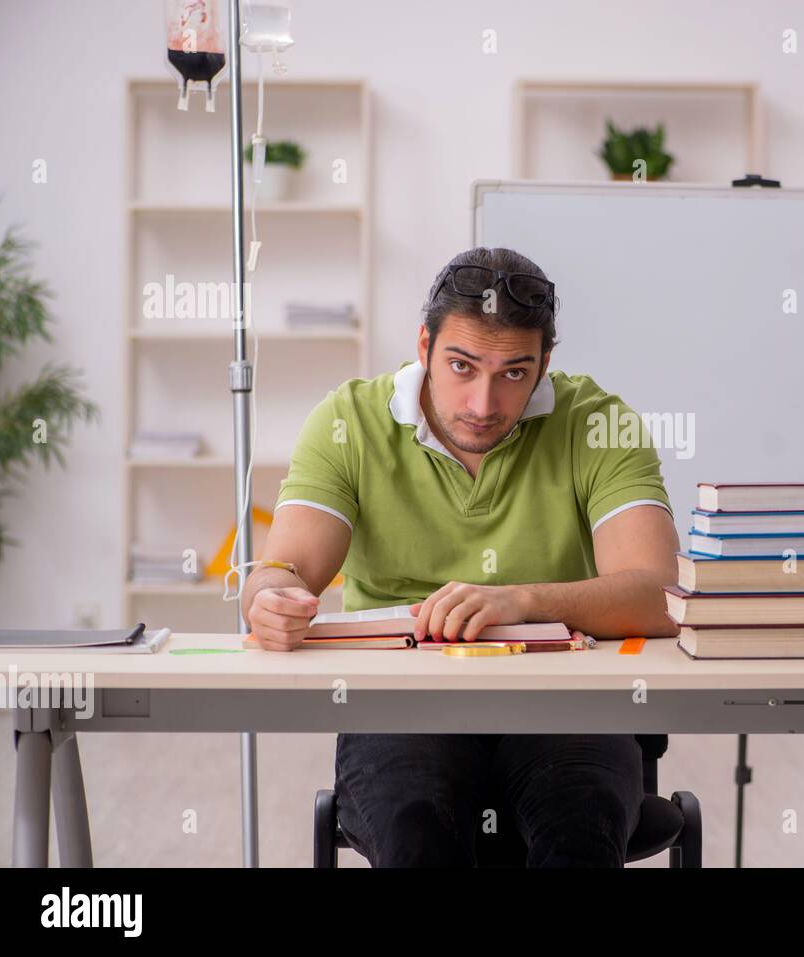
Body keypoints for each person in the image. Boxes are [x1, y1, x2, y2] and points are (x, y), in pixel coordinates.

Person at [241, 246, 680, 867]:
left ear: (544, 364)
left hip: (565, 704)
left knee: (578, 830)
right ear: (424, 346)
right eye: (461, 366)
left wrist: (523, 600)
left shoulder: (599, 424)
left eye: (512, 374)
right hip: (403, 706)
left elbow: (660, 595)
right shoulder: (349, 421)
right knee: (417, 833)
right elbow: (280, 571)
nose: (482, 404)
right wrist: (268, 600)